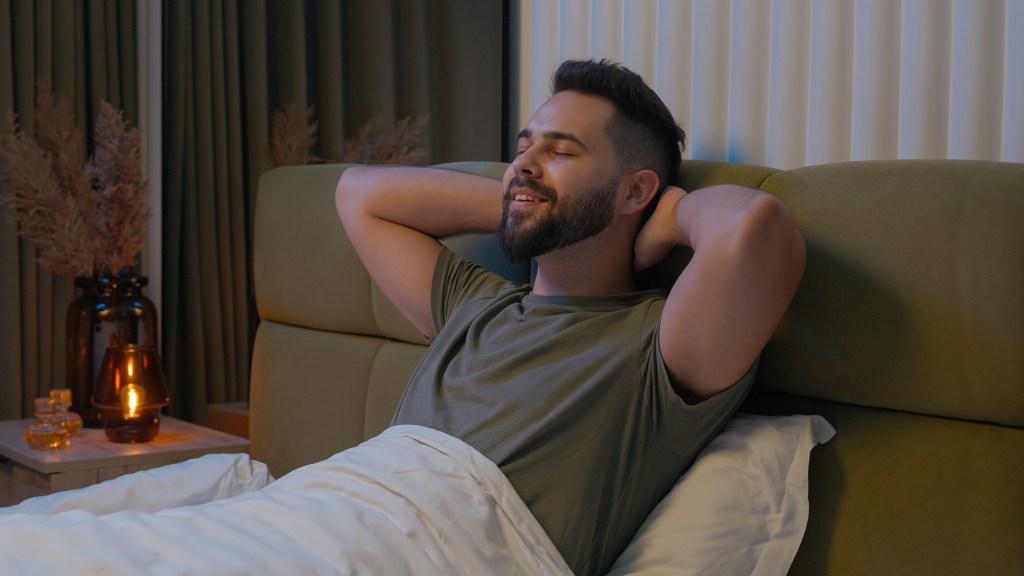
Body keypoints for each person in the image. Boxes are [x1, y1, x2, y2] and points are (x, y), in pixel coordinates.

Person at [334, 59, 805, 576]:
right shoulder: (472, 303)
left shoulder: (657, 346)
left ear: (634, 191)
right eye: (522, 147)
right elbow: (358, 193)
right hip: (336, 513)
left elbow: (755, 228)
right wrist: (524, 196)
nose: (525, 163)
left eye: (560, 151)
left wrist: (668, 216)